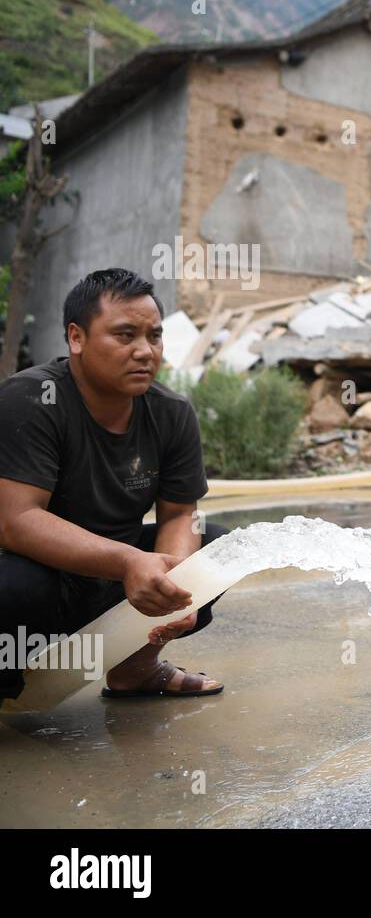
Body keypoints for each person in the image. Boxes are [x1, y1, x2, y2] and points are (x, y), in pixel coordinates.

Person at [0, 269, 227, 705]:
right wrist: (128, 561)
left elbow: (181, 514)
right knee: (14, 583)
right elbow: (16, 521)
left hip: (113, 583)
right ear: (77, 337)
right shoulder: (31, 399)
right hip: (38, 583)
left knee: (217, 548)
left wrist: (175, 587)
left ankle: (136, 669)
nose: (145, 351)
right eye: (125, 335)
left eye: (155, 336)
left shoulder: (172, 413)